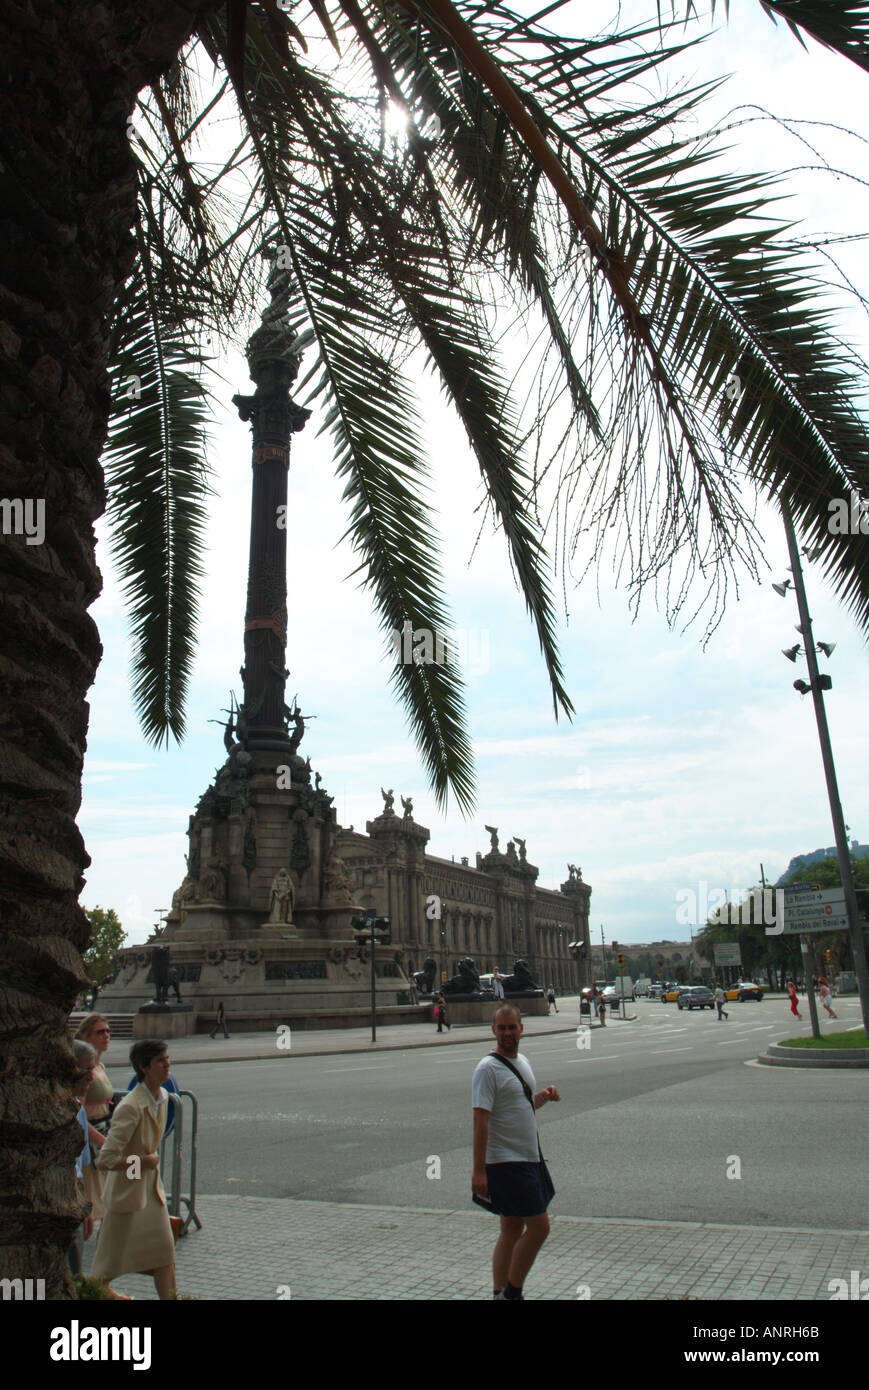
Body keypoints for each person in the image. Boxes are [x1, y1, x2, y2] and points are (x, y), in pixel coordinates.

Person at [472, 1004, 560, 1301]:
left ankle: (499, 1293)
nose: (507, 1033)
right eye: (502, 1028)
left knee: (511, 1228)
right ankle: (514, 1292)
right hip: (507, 1162)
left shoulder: (522, 1061)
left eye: (512, 1027)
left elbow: (519, 1107)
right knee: (540, 1228)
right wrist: (479, 1169)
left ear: (521, 1028)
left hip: (529, 1157)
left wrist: (543, 1098)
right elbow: (480, 1120)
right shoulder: (487, 1069)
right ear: (493, 1030)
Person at [92, 1040, 176, 1300]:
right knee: (107, 1266)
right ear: (144, 1067)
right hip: (127, 1197)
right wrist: (141, 1163)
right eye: (160, 1061)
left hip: (151, 1194)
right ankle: (97, 1294)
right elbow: (105, 1160)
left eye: (167, 1059)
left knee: (165, 1254)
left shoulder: (162, 1099)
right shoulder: (130, 1106)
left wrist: (144, 1165)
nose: (167, 1065)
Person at [74, 1013, 114, 1154]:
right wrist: (101, 1140)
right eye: (100, 1032)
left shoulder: (101, 1067)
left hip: (105, 1130)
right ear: (86, 1037)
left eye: (108, 1031)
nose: (106, 1035)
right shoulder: (84, 1070)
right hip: (91, 1136)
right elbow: (78, 1112)